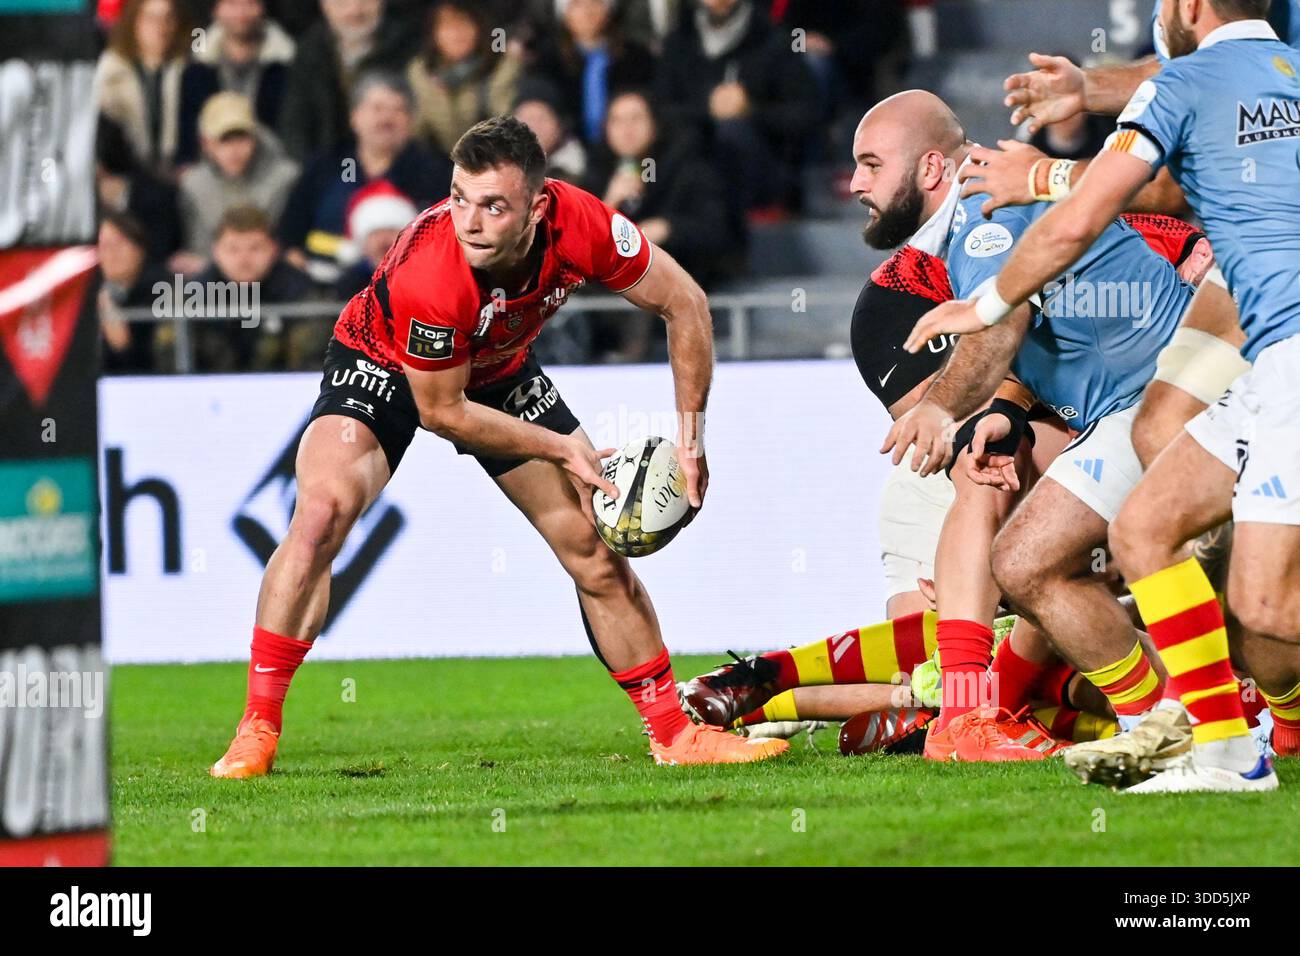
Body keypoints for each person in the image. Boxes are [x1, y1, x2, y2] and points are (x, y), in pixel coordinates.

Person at [209, 116, 789, 778]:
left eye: (493, 205)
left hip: (500, 369)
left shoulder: (584, 224)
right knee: (320, 514)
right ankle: (258, 724)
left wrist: (691, 440)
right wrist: (559, 446)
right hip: (385, 365)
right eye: (459, 197)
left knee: (593, 550)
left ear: (539, 206)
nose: (469, 220)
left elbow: (686, 304)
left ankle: (673, 736)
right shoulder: (433, 269)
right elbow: (441, 411)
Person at [902, 1, 1299, 794]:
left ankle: (1253, 720)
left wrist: (984, 298)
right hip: (1260, 366)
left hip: (1281, 355)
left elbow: (1081, 215)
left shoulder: (1186, 82)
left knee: (1262, 608)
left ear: (1188, 7)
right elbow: (1178, 131)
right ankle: (1221, 750)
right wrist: (1090, 92)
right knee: (1144, 527)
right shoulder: (1273, 76)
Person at [854, 91, 1192, 771]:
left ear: (928, 170)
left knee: (1244, 584)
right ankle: (1162, 730)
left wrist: (941, 408)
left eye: (869, 164)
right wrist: (1002, 412)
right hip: (1134, 413)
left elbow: (1001, 325)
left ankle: (973, 713)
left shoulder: (984, 217)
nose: (856, 182)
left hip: (1176, 403)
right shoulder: (972, 224)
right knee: (1028, 561)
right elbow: (1031, 325)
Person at [278, 71, 451, 285]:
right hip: (325, 296)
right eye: (377, 108)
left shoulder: (436, 173)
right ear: (355, 115)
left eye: (398, 110)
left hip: (413, 291)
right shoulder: (326, 167)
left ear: (411, 121)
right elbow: (289, 236)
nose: (387, 119)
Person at [654, 0, 819, 213]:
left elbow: (805, 113)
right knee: (684, 138)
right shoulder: (678, 41)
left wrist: (750, 110)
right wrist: (708, 109)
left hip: (760, 165)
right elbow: (660, 108)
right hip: (689, 161)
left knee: (732, 131)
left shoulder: (773, 40)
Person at [277, 0, 420, 162]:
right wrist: (311, 171)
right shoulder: (309, 50)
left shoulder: (410, 44)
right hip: (333, 164)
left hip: (398, 163)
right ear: (324, 6)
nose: (354, 11)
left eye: (364, 2)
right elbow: (295, 122)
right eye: (342, 3)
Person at [175, 92, 300, 273]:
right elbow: (197, 249)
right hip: (213, 281)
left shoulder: (286, 178)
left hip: (274, 275)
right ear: (206, 144)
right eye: (225, 140)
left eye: (242, 138)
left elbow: (290, 246)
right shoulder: (193, 185)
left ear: (255, 138)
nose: (235, 150)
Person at [178, 0, 295, 163]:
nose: (241, 13)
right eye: (232, 3)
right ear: (216, 10)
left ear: (263, 8)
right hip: (208, 174)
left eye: (250, 3)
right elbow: (188, 141)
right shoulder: (195, 71)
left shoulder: (289, 67)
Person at [528, 0, 656, 146]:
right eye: (577, 4)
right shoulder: (547, 61)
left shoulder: (635, 57)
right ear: (565, 14)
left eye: (595, 3)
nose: (587, 12)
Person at [406, 1, 523, 157]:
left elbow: (507, 123)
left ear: (479, 28)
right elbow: (416, 133)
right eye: (447, 26)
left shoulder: (501, 67)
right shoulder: (421, 71)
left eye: (463, 23)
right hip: (439, 163)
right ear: (433, 33)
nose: (456, 34)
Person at [95, 0, 193, 177]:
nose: (161, 28)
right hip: (126, 173)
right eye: (151, 18)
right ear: (133, 21)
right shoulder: (110, 73)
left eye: (168, 18)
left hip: (181, 173)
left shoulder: (191, 70)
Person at [96, 212, 169, 374]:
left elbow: (124, 347)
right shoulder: (86, 294)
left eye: (120, 243)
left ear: (140, 248)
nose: (112, 253)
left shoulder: (163, 289)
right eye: (104, 246)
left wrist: (106, 303)